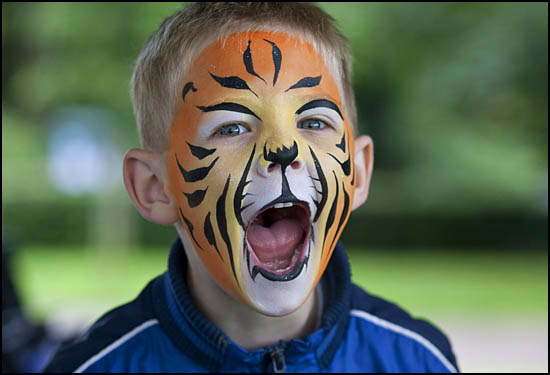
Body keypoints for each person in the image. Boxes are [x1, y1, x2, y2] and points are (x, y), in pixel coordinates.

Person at [43, 3, 459, 373]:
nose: (282, 148)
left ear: (359, 172)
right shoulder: (99, 365)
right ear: (155, 187)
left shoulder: (415, 358)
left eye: (314, 122)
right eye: (232, 127)